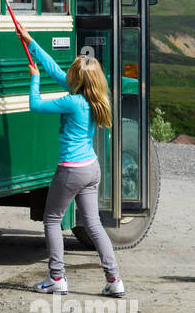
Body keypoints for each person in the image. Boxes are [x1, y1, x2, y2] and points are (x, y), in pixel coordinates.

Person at [17, 28, 124, 297]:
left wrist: (34, 79)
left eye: (71, 73)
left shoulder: (72, 101)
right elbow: (55, 69)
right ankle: (114, 280)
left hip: (71, 171)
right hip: (91, 168)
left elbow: (36, 105)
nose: (66, 75)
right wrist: (32, 43)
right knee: (94, 224)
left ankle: (56, 278)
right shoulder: (93, 97)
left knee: (52, 220)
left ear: (76, 79)